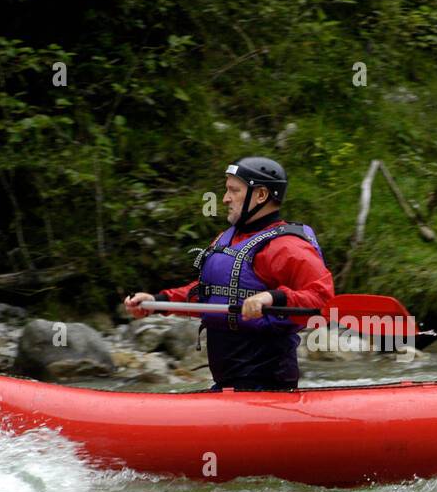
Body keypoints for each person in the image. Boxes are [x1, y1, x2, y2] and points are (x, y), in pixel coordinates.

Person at [125, 157, 334, 391]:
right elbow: (209, 293)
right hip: (228, 385)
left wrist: (272, 298)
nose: (225, 199)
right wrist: (158, 302)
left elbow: (323, 302)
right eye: (226, 190)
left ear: (261, 195)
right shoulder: (229, 239)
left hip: (269, 387)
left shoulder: (287, 247)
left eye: (234, 191)